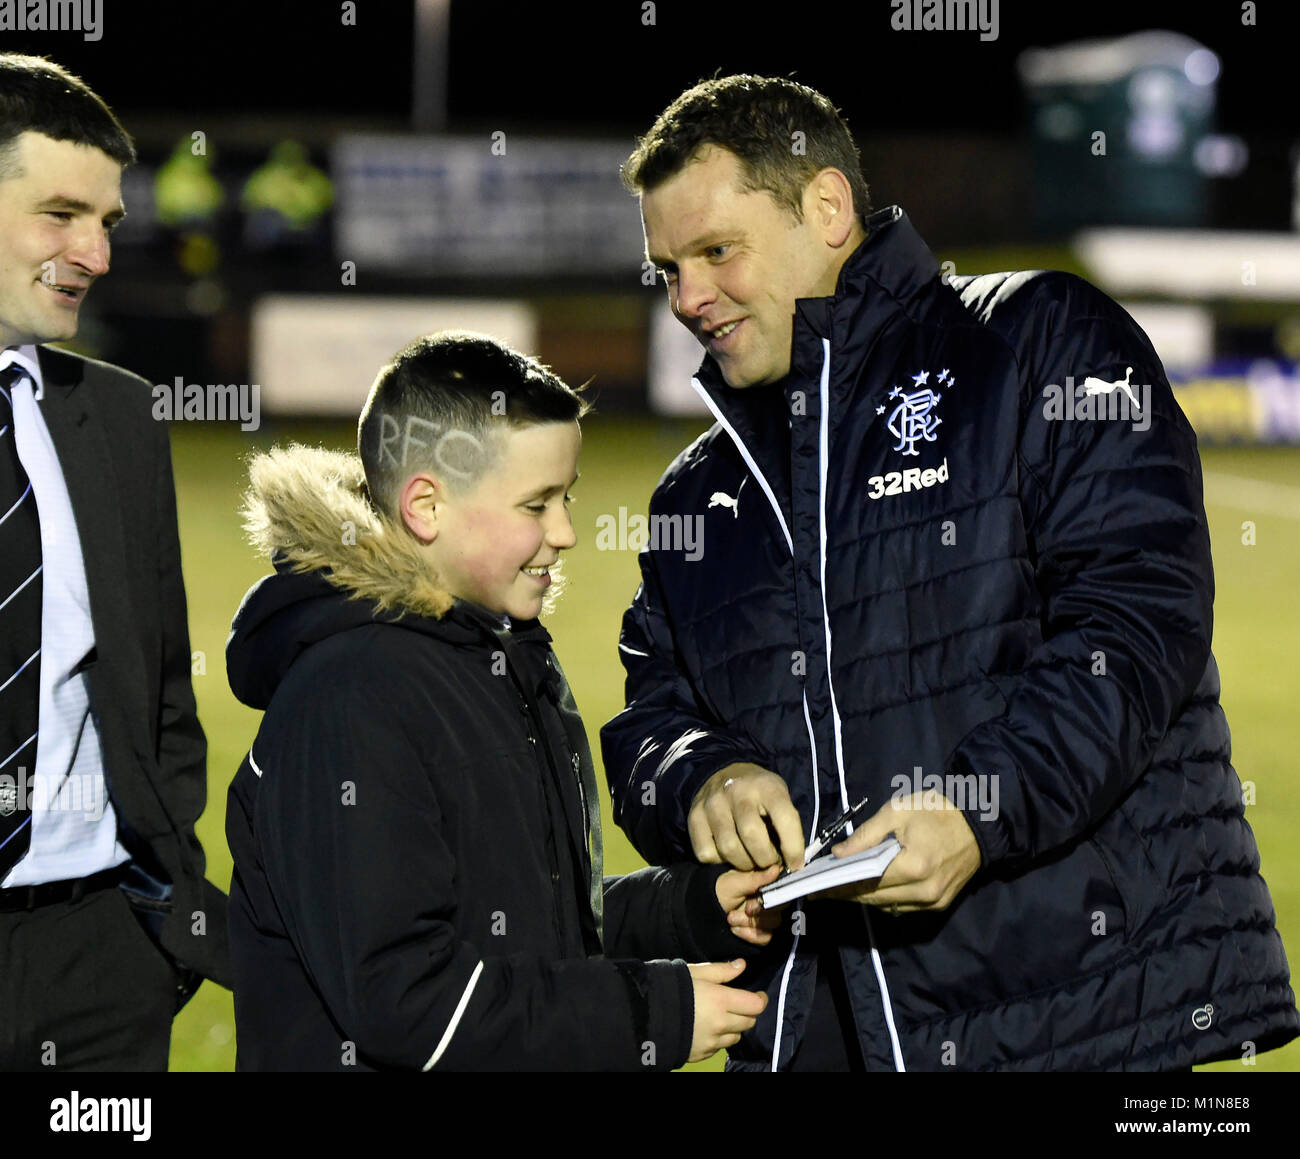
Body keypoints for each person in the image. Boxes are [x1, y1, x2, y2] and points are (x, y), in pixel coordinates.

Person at [600, 74, 1300, 1072]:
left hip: (1077, 1021)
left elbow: (1133, 625)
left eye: (716, 251)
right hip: (815, 1032)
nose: (687, 298)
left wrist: (979, 805)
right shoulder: (697, 492)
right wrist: (699, 775)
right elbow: (649, 718)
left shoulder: (1037, 341)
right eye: (665, 268)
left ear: (828, 208)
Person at [224, 331, 775, 1070]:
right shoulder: (350, 694)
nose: (566, 532)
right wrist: (653, 1012)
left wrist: (691, 908)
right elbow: (408, 1002)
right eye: (537, 503)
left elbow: (525, 922)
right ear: (426, 505)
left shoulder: (489, 653)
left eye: (567, 497)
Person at [0, 54, 229, 1071]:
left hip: (99, 959)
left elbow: (161, 700)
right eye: (61, 215)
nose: (93, 253)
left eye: (108, 223)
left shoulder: (124, 418)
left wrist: (161, 926)